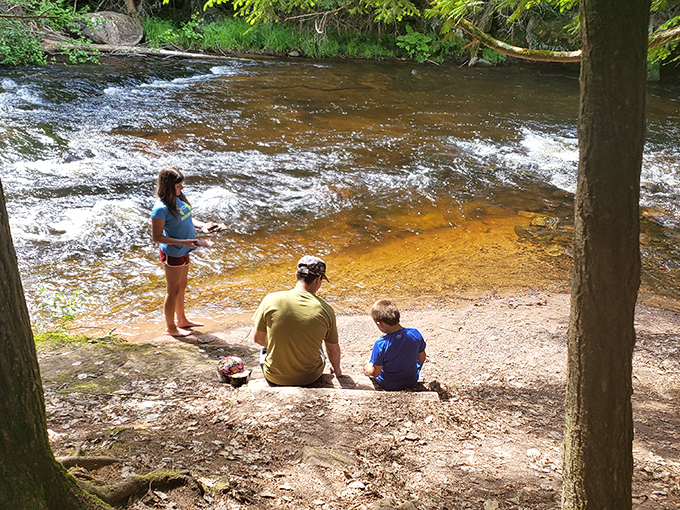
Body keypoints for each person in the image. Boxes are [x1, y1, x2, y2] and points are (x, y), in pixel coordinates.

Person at [151, 166, 225, 337]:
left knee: (182, 287)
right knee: (173, 290)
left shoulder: (177, 199)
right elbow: (157, 237)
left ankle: (182, 320)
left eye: (181, 185)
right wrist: (185, 241)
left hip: (186, 249)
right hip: (173, 252)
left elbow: (187, 218)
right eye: (178, 186)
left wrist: (203, 226)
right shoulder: (160, 209)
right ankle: (171, 328)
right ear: (168, 186)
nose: (181, 189)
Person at [249, 255, 342, 386]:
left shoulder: (270, 299)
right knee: (319, 346)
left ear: (296, 275)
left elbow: (258, 339)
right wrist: (337, 370)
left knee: (265, 349)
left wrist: (280, 344)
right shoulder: (326, 310)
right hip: (310, 377)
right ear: (319, 279)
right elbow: (333, 349)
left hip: (274, 376)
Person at [363, 299, 426, 391]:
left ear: (379, 324)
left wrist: (368, 368)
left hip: (388, 384)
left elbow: (375, 373)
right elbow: (422, 358)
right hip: (411, 380)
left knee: (370, 365)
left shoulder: (381, 344)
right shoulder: (414, 334)